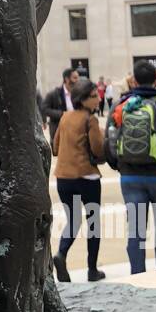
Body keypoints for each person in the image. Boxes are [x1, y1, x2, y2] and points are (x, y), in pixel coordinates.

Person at [105, 58, 156, 273]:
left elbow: (109, 140)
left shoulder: (120, 106)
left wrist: (119, 165)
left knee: (136, 230)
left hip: (131, 177)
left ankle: (138, 275)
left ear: (134, 80)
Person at [51, 78, 105, 283]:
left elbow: (55, 148)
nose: (98, 99)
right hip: (87, 177)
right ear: (82, 100)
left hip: (64, 178)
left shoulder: (65, 117)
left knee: (73, 220)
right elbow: (98, 149)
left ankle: (61, 254)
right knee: (93, 223)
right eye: (93, 96)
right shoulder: (90, 119)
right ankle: (92, 269)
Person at [41, 68, 79, 140]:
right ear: (67, 79)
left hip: (76, 133)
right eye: (75, 78)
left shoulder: (79, 94)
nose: (78, 80)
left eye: (78, 78)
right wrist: (62, 114)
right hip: (59, 133)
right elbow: (44, 109)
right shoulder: (53, 94)